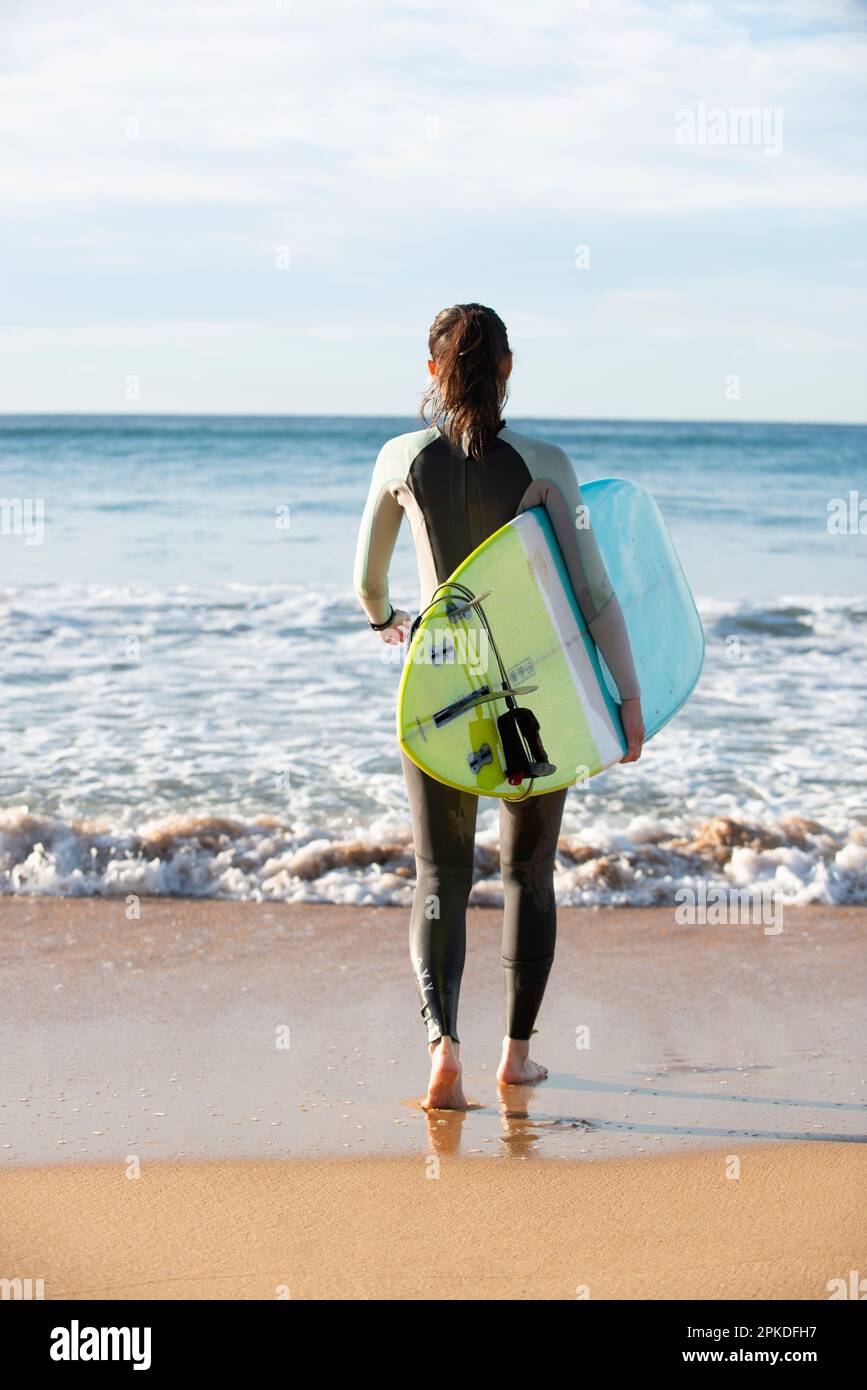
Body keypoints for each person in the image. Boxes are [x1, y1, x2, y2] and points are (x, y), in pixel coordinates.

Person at [353, 304, 644, 1110]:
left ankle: (442, 1049)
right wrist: (626, 699)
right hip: (535, 689)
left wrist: (390, 625)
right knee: (527, 872)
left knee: (439, 871)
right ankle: (515, 1058)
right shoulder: (546, 462)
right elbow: (591, 596)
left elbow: (366, 587)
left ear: (431, 373)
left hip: (441, 682)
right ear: (508, 368)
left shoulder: (399, 458)